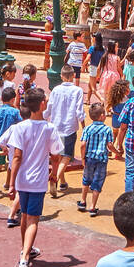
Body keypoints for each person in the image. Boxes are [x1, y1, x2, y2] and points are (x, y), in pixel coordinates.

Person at [6, 88, 62, 267]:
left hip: (22, 179)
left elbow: (16, 157)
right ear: (41, 105)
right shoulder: (50, 128)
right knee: (33, 221)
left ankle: (25, 249)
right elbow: (56, 155)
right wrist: (54, 174)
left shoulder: (20, 128)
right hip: (38, 181)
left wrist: (12, 183)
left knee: (24, 217)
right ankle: (24, 259)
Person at [45, 64, 85, 196]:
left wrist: (43, 119)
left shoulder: (55, 90)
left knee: (59, 155)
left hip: (55, 126)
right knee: (67, 156)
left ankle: (62, 182)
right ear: (73, 76)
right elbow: (79, 111)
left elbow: (49, 108)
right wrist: (84, 126)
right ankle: (54, 177)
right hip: (69, 127)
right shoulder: (77, 90)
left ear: (61, 76)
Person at [77, 102, 114, 216]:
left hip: (89, 158)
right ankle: (92, 207)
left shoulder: (87, 129)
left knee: (86, 179)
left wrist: (83, 157)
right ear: (102, 116)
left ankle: (83, 202)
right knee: (97, 183)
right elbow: (110, 145)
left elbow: (83, 145)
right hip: (102, 160)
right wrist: (115, 151)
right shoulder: (107, 130)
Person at [0, 84, 21, 200]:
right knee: (11, 165)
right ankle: (8, 183)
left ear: (1, 99)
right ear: (13, 100)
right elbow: (20, 124)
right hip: (12, 143)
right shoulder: (15, 112)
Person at [86, 33, 105, 102]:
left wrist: (83, 65)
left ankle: (101, 99)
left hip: (93, 68)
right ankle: (88, 99)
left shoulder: (92, 48)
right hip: (99, 69)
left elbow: (88, 58)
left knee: (93, 88)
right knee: (90, 84)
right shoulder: (103, 49)